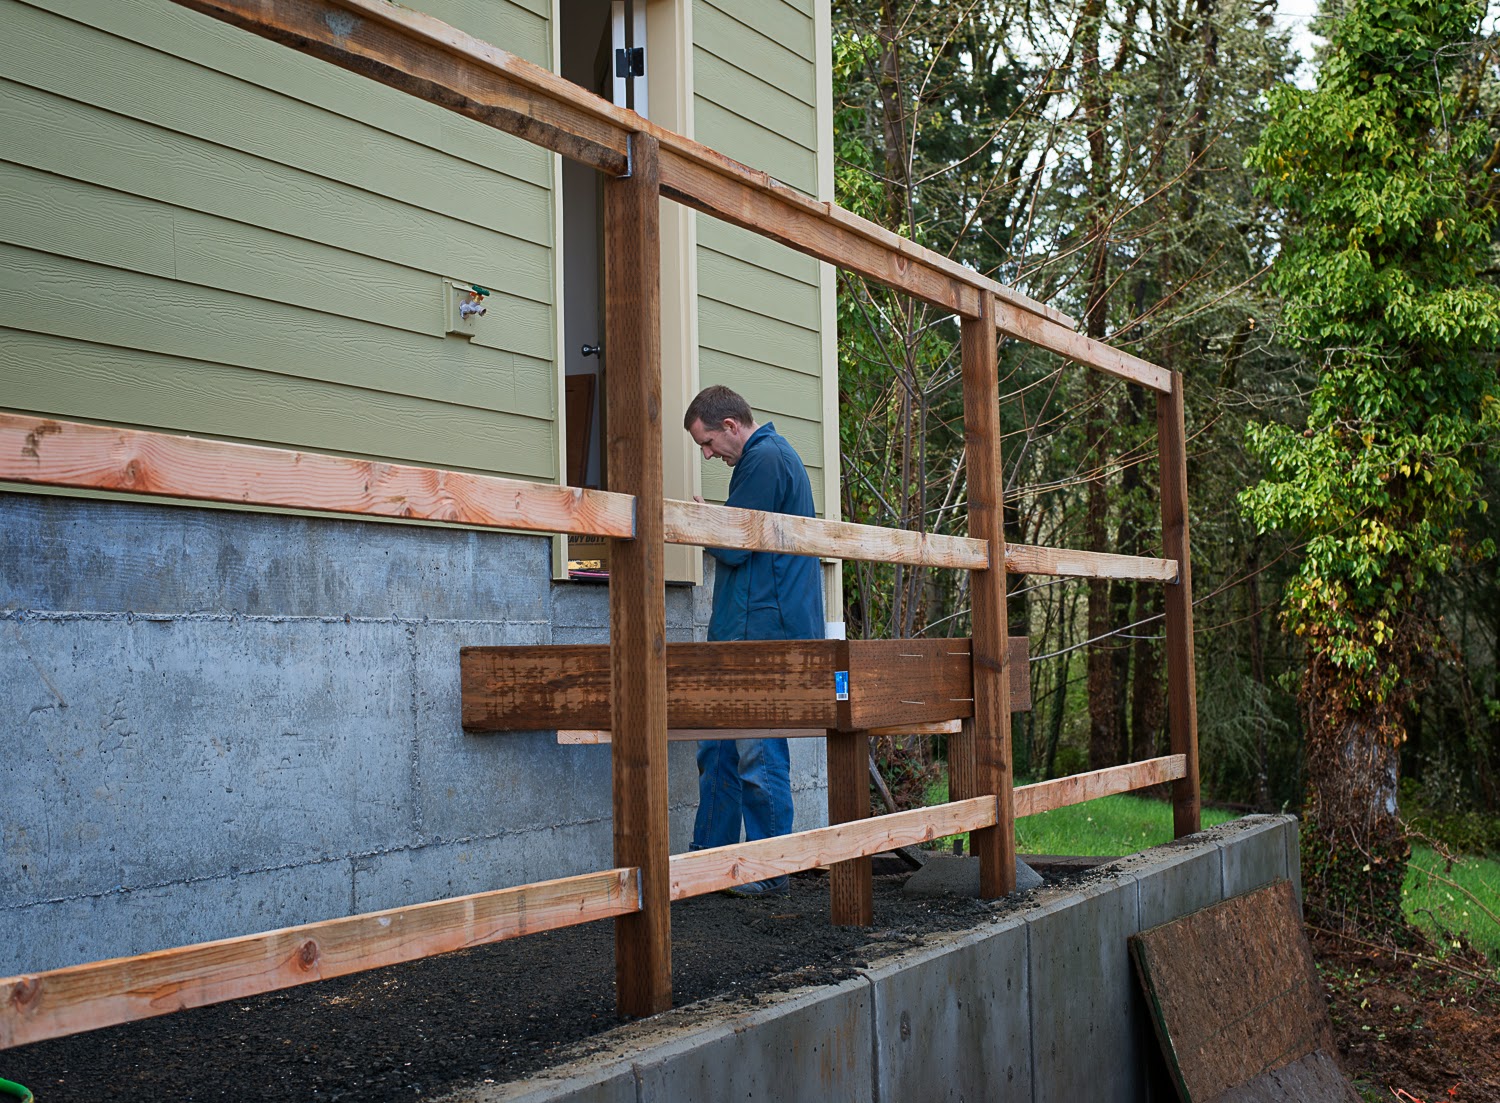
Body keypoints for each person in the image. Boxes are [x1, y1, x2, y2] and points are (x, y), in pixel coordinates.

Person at [684, 385, 824, 896]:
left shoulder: (764, 459)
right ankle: (713, 859)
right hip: (744, 627)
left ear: (730, 426)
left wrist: (704, 521)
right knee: (718, 744)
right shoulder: (770, 458)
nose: (707, 455)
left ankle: (767, 869)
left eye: (707, 442)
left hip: (762, 631)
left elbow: (737, 548)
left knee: (757, 751)